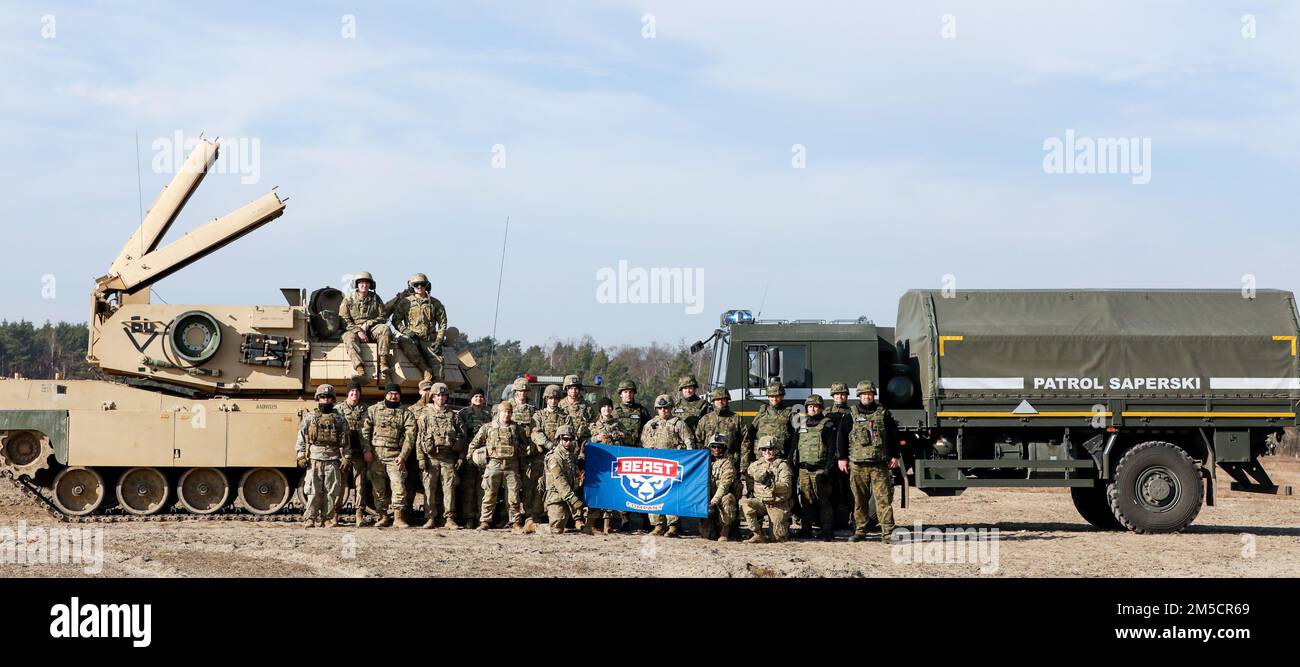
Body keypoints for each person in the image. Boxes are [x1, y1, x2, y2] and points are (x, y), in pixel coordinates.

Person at [842, 381, 899, 542]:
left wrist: (895, 456)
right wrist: (842, 458)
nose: (867, 396)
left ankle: (888, 532)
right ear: (859, 396)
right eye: (864, 394)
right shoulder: (850, 414)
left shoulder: (884, 414)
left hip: (879, 464)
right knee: (859, 500)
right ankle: (860, 530)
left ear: (873, 395)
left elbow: (893, 436)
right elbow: (842, 437)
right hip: (857, 464)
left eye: (869, 394)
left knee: (883, 499)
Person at [469, 401, 530, 533]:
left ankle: (514, 522)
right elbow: (474, 443)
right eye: (504, 412)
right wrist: (472, 457)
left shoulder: (516, 428)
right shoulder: (488, 427)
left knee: (513, 496)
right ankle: (485, 521)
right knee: (489, 493)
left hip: (511, 465)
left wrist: (522, 452)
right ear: (498, 413)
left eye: (509, 412)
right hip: (493, 464)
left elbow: (526, 445)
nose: (506, 415)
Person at [413, 382, 467, 529]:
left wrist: (461, 457)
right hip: (431, 457)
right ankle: (430, 517)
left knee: (449, 489)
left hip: (448, 458)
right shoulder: (425, 416)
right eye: (438, 395)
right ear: (433, 397)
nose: (441, 398)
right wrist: (421, 459)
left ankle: (449, 519)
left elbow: (462, 438)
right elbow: (419, 439)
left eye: (443, 395)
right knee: (429, 489)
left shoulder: (453, 416)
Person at [792, 394, 846, 540]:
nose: (813, 408)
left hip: (820, 470)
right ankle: (806, 529)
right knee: (806, 500)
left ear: (821, 408)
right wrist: (792, 465)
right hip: (804, 470)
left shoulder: (827, 425)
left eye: (815, 406)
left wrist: (828, 470)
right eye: (810, 406)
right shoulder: (801, 425)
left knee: (824, 501)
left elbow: (832, 450)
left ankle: (827, 530)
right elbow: (794, 447)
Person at [295, 384, 350, 528]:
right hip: (315, 459)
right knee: (312, 490)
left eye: (329, 398)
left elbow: (346, 441)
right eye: (323, 397)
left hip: (332, 460)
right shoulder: (310, 417)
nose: (326, 400)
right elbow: (301, 437)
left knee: (331, 491)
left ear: (333, 400)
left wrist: (346, 457)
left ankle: (327, 518)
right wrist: (301, 455)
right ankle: (310, 518)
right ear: (318, 399)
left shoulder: (340, 419)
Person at [641, 394, 695, 537]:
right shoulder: (649, 425)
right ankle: (658, 525)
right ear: (656, 409)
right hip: (655, 466)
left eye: (666, 408)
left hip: (674, 465)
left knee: (672, 495)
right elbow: (643, 444)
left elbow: (690, 444)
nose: (664, 410)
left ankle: (673, 526)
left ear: (671, 408)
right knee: (654, 495)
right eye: (660, 408)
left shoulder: (679, 424)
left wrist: (689, 462)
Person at [363, 383, 415, 528]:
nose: (393, 396)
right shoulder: (373, 410)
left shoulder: (405, 413)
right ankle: (383, 516)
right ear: (386, 394)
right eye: (391, 393)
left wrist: (403, 456)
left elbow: (410, 437)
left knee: (398, 486)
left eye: (396, 394)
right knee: (378, 488)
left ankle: (398, 518)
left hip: (395, 455)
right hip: (376, 455)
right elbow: (364, 431)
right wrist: (366, 450)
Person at [389, 272, 448, 383]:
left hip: (430, 341)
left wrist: (439, 340)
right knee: (403, 341)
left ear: (427, 285)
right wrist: (407, 331)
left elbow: (443, 323)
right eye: (416, 285)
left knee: (439, 365)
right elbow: (395, 320)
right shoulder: (406, 302)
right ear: (412, 287)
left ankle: (437, 392)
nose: (419, 287)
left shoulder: (435, 303)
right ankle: (425, 370)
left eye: (422, 284)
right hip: (413, 339)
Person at [584, 397, 629, 534]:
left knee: (612, 492)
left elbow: (630, 439)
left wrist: (623, 435)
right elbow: (584, 442)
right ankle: (590, 523)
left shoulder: (619, 424)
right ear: (600, 409)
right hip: (599, 466)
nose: (607, 409)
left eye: (609, 406)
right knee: (597, 492)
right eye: (604, 407)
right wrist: (594, 439)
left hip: (615, 465)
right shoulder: (593, 425)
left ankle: (608, 523)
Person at [611, 379, 651, 531]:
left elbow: (649, 429)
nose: (628, 395)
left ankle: (645, 518)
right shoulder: (615, 411)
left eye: (630, 392)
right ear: (620, 394)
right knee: (625, 485)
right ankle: (624, 519)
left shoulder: (642, 410)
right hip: (621, 454)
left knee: (642, 484)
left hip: (639, 453)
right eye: (625, 392)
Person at [339, 271, 393, 383]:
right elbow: (343, 320)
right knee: (348, 338)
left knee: (385, 329)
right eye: (361, 283)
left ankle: (383, 363)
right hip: (353, 328)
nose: (364, 285)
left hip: (372, 327)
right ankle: (360, 370)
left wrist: (368, 324)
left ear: (371, 285)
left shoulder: (375, 298)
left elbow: (383, 316)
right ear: (356, 285)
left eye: (367, 283)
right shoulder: (348, 299)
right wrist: (358, 330)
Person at [742, 436, 794, 543]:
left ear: (775, 450)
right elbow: (749, 475)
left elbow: (786, 486)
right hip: (761, 502)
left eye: (770, 449)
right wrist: (751, 489)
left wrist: (772, 485)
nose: (767, 452)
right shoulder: (755, 465)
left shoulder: (783, 466)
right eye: (764, 449)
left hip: (777, 503)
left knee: (778, 538)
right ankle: (757, 534)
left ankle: (784, 527)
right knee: (746, 503)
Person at [695, 387, 749, 489]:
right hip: (710, 464)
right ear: (713, 401)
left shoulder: (736, 418)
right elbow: (698, 441)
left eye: (723, 399)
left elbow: (745, 442)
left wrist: (743, 464)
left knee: (731, 494)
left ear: (727, 400)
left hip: (732, 463)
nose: (720, 402)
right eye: (717, 399)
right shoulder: (705, 419)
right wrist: (702, 461)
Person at [457, 388, 492, 528]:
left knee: (483, 488)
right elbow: (460, 433)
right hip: (469, 455)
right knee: (468, 488)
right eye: (475, 396)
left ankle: (482, 517)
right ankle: (469, 517)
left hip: (484, 455)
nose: (478, 398)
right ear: (471, 398)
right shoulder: (463, 414)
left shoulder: (488, 415)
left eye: (480, 396)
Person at [336, 381, 370, 526]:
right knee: (340, 484)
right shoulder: (338, 408)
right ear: (347, 394)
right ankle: (335, 513)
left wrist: (367, 450)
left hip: (359, 452)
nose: (354, 394)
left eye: (357, 392)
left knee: (360, 485)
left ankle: (359, 514)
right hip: (343, 452)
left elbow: (367, 431)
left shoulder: (365, 409)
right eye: (352, 392)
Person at [544, 425, 585, 534]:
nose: (568, 442)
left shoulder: (571, 455)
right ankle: (534, 526)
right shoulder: (554, 457)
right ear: (559, 440)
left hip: (571, 493)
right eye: (565, 439)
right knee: (556, 529)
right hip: (557, 496)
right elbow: (559, 481)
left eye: (571, 439)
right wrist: (573, 499)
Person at [702, 434, 739, 541]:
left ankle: (725, 530)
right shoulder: (704, 461)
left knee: (727, 499)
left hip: (721, 497)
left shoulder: (728, 464)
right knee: (706, 535)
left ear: (724, 448)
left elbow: (724, 486)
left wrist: (713, 502)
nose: (716, 449)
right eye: (713, 446)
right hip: (708, 496)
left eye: (720, 446)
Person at [750, 382, 794, 467]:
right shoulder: (762, 412)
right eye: (771, 397)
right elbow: (751, 433)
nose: (774, 399)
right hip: (762, 457)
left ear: (782, 396)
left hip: (780, 457)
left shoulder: (789, 412)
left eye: (777, 396)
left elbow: (795, 437)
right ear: (768, 397)